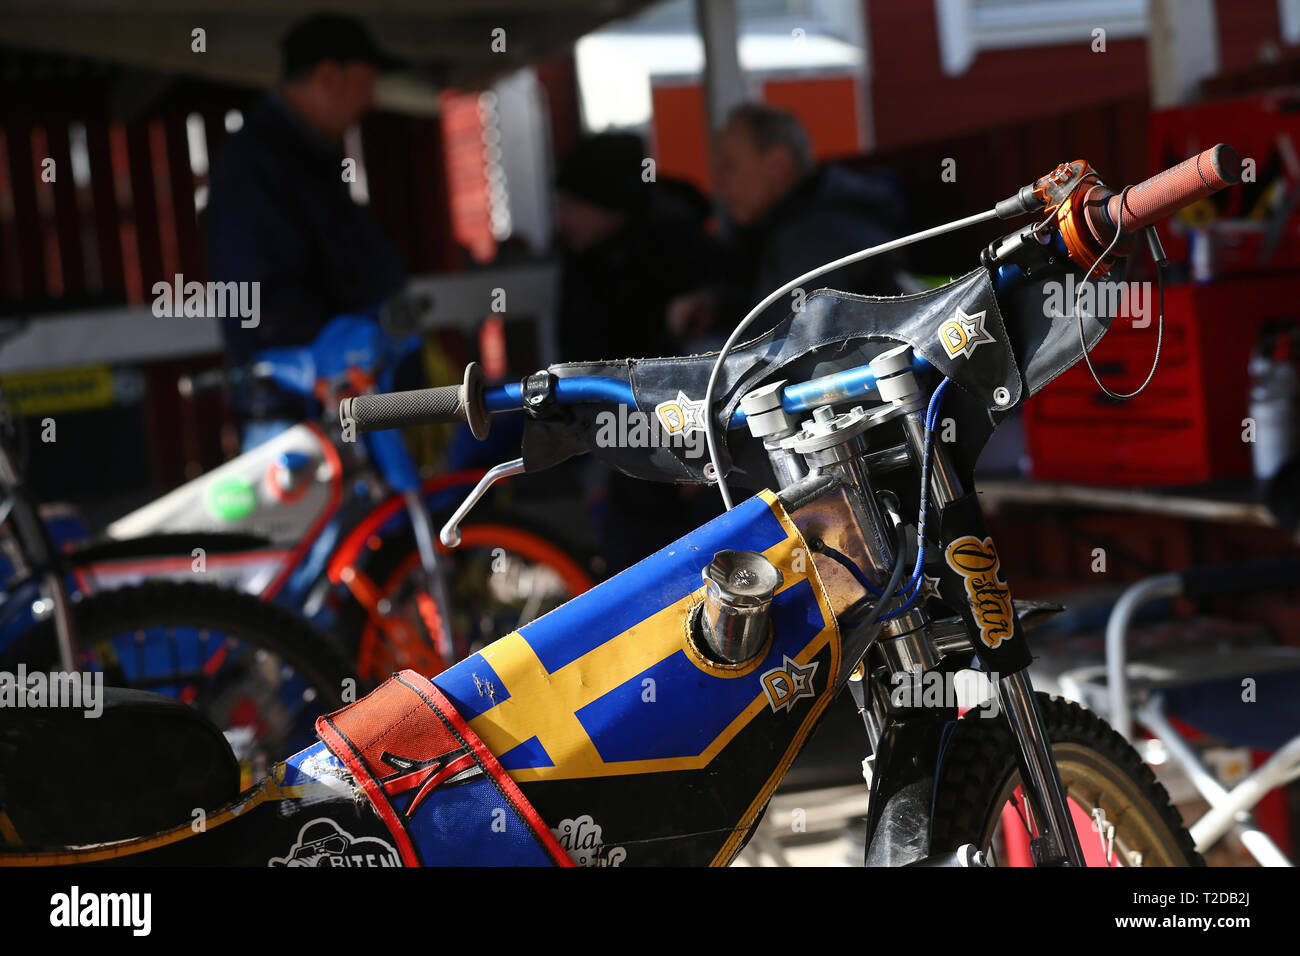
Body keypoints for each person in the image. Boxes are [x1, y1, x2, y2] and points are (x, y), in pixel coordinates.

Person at [203, 13, 408, 446]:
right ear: (328, 77)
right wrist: (339, 341)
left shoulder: (304, 157)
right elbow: (255, 297)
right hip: (294, 416)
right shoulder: (256, 166)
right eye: (365, 84)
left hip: (337, 405)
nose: (371, 101)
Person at [551, 133, 726, 572]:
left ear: (608, 204)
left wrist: (696, 450)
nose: (560, 219)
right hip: (604, 417)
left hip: (675, 429)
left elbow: (713, 357)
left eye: (571, 206)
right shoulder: (585, 255)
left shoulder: (678, 247)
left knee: (673, 557)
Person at [668, 103, 905, 341]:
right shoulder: (790, 228)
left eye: (729, 166)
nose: (718, 182)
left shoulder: (815, 240)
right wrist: (721, 307)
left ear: (777, 165)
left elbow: (789, 349)